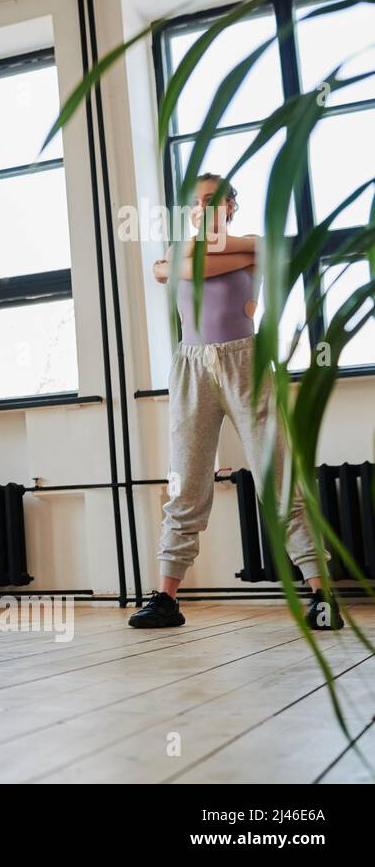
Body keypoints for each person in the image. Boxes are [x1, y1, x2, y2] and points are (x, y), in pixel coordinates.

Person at [130, 173, 342, 631]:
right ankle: (166, 599)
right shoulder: (218, 250)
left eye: (210, 201)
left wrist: (181, 263)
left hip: (245, 362)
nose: (200, 210)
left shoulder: (255, 243)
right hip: (189, 367)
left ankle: (321, 594)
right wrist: (203, 258)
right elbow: (178, 262)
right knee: (185, 484)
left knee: (279, 481)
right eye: (194, 204)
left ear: (229, 205)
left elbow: (181, 266)